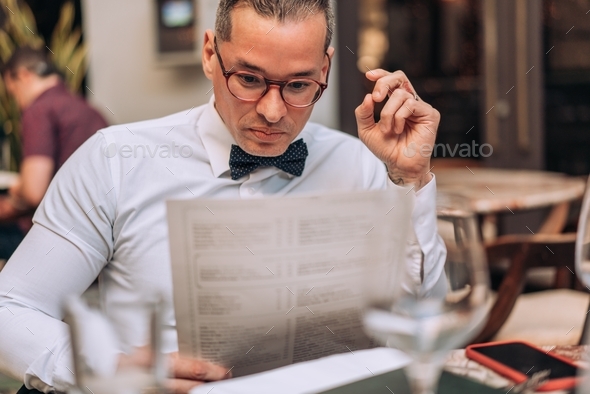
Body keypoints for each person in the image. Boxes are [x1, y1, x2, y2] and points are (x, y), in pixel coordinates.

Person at [0, 1, 445, 393]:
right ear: (211, 54)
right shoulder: (114, 161)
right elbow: (11, 309)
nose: (273, 112)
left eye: (298, 85)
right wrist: (105, 370)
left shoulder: (360, 163)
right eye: (249, 79)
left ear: (325, 69)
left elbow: (424, 320)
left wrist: (411, 179)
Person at [0, 47, 108, 259]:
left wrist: (19, 191)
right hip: (95, 236)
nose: (18, 103)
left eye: (14, 94)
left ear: (24, 76)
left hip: (56, 240)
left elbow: (33, 193)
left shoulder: (39, 110)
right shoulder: (87, 109)